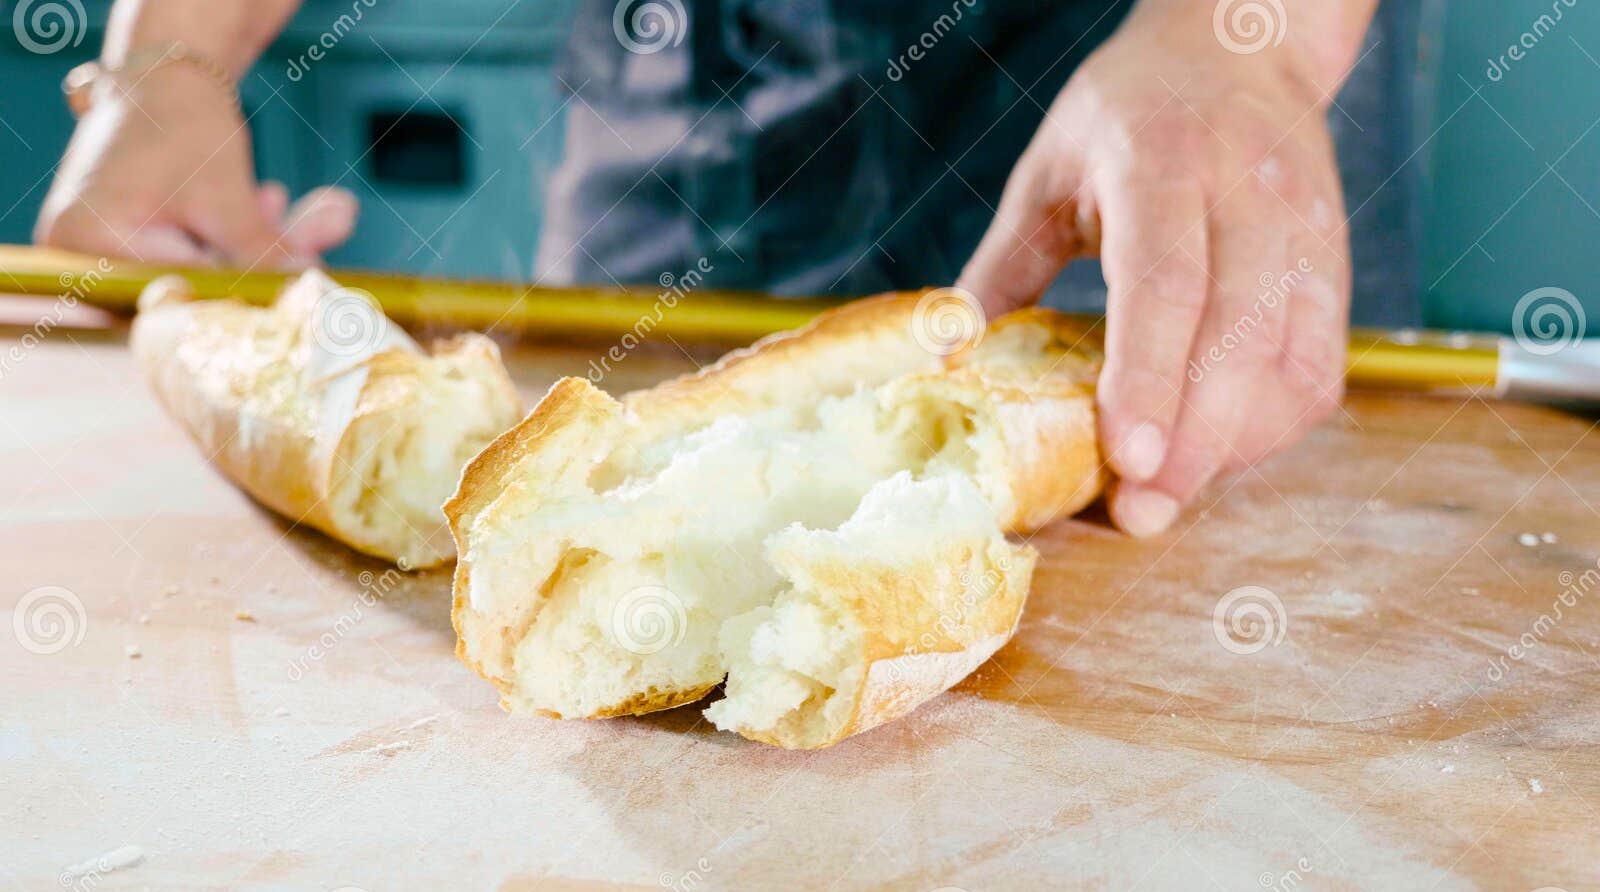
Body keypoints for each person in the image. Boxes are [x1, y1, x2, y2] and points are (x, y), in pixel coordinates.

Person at [35, 0, 1379, 538]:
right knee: (555, 502)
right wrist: (170, 60)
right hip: (685, 74)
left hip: (1132, 94)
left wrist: (1250, 42)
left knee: (1152, 479)